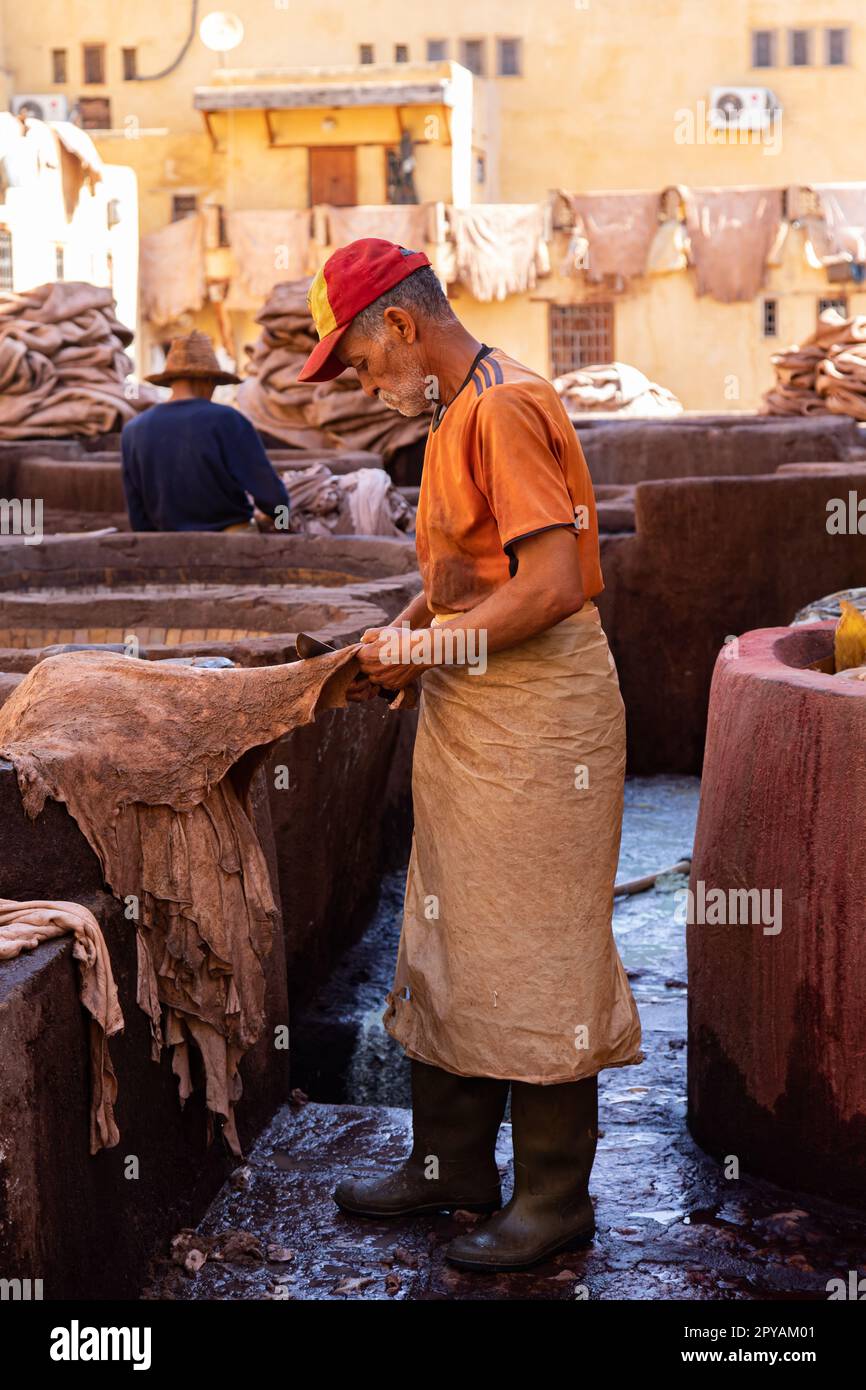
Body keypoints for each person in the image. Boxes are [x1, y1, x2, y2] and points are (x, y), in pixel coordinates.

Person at [297, 238, 643, 1274]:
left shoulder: (500, 405)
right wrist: (406, 636)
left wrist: (426, 646)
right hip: (474, 704)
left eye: (357, 361)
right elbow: (462, 582)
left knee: (534, 950)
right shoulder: (455, 408)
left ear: (399, 326)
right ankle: (451, 1165)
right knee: (448, 936)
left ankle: (552, 1199)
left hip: (539, 713)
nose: (363, 384)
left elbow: (545, 587)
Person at [121, 331, 288, 533]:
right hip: (232, 541)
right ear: (208, 381)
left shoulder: (133, 430)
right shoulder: (227, 420)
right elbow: (272, 495)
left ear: (172, 381)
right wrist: (283, 524)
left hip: (165, 546)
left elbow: (137, 512)